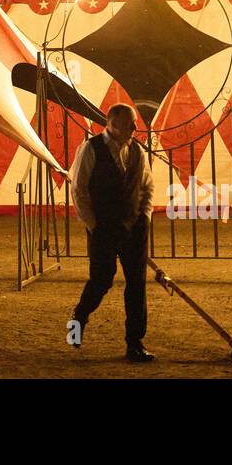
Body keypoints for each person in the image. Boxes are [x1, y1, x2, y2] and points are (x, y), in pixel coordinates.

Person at [68, 103, 156, 362]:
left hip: (134, 227)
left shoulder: (137, 150)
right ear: (113, 124)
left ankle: (135, 343)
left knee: (137, 285)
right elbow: (79, 190)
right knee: (101, 281)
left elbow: (147, 186)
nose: (135, 128)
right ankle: (77, 321)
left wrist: (145, 217)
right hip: (103, 228)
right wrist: (94, 226)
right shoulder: (90, 149)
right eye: (130, 124)